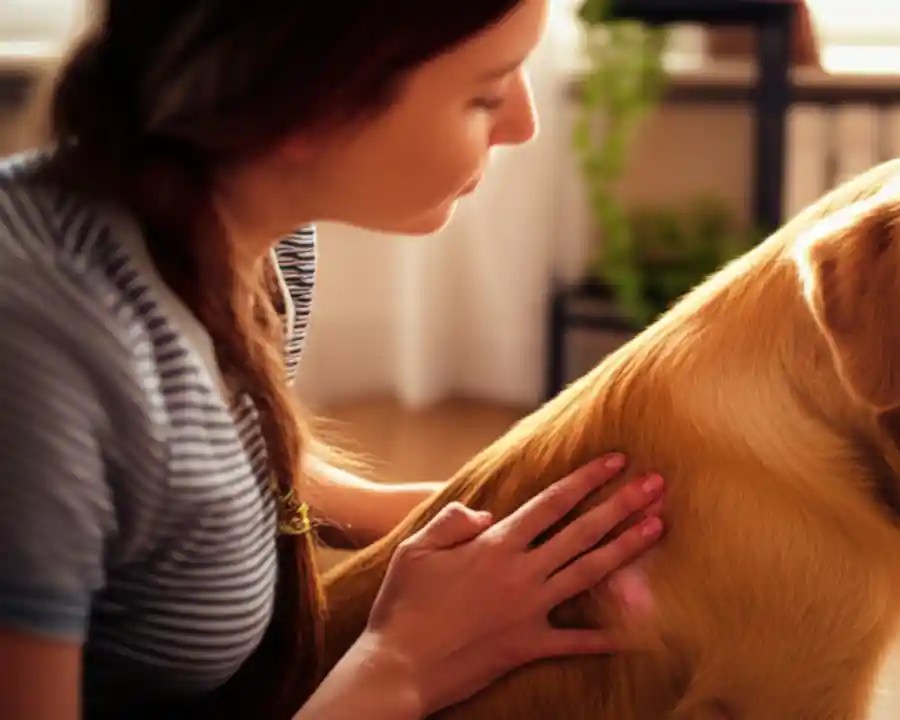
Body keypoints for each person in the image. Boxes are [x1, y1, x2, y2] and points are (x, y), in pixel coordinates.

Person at [0, 1, 668, 718]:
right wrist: (403, 665)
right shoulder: (40, 359)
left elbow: (193, 466)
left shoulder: (251, 240)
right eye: (486, 93)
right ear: (303, 100)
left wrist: (457, 514)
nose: (521, 124)